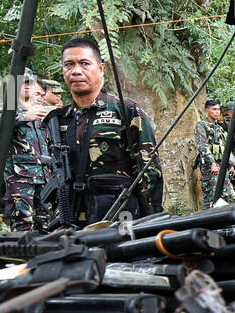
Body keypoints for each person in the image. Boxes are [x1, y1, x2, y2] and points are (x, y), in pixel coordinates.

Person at [48, 36, 163, 225]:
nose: (76, 71)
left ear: (100, 69)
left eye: (84, 63)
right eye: (69, 64)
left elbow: (149, 172)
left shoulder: (126, 111)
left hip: (118, 218)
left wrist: (152, 220)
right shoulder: (58, 119)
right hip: (70, 220)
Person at [3, 75, 54, 231]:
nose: (26, 86)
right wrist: (24, 117)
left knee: (46, 225)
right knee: (23, 224)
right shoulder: (7, 108)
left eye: (29, 83)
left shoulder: (38, 112)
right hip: (20, 178)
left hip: (43, 177)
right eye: (22, 82)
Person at [193, 98, 235, 207]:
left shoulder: (219, 127)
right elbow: (202, 146)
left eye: (218, 109)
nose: (217, 112)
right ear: (207, 110)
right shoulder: (201, 126)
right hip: (210, 168)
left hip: (222, 166)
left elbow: (224, 147)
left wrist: (230, 164)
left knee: (230, 194)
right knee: (211, 197)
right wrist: (212, 163)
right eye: (214, 109)